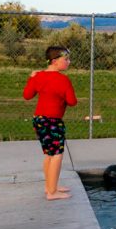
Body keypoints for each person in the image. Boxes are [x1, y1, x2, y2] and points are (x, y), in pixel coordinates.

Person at [23, 45, 77, 201]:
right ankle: (52, 192)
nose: (69, 62)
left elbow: (27, 95)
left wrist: (32, 78)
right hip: (53, 121)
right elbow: (72, 101)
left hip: (39, 120)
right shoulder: (63, 80)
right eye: (66, 59)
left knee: (49, 154)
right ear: (54, 61)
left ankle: (50, 186)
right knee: (57, 155)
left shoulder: (38, 76)